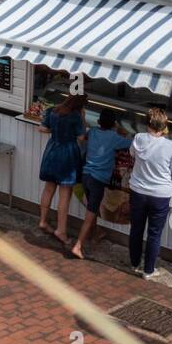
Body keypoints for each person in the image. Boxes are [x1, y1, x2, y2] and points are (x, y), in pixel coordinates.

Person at [70, 110, 132, 260]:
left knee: (93, 208)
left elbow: (84, 137)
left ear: (98, 122)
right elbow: (132, 143)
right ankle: (78, 245)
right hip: (98, 180)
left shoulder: (93, 132)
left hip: (85, 176)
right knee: (91, 212)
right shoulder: (114, 137)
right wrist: (118, 129)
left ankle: (94, 234)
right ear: (113, 124)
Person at [128, 108, 172, 278]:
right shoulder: (170, 146)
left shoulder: (138, 139)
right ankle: (148, 270)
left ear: (147, 123)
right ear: (164, 126)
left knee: (136, 229)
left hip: (137, 190)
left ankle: (134, 263)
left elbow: (132, 154)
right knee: (154, 234)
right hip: (160, 194)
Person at [37, 94, 86, 245]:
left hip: (52, 150)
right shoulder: (76, 116)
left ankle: (43, 221)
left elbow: (42, 128)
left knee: (48, 188)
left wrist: (55, 132)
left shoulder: (53, 110)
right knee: (65, 194)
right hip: (68, 154)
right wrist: (82, 118)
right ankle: (61, 231)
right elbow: (81, 137)